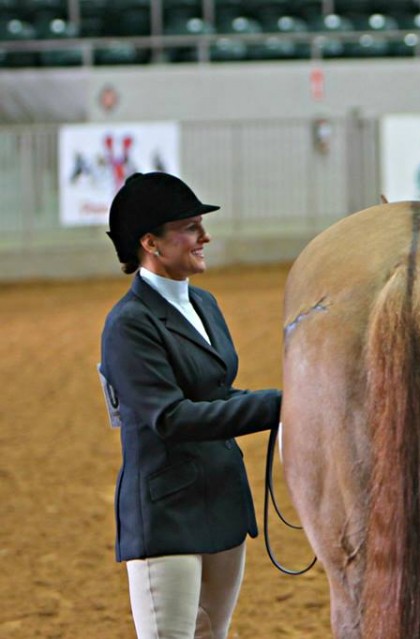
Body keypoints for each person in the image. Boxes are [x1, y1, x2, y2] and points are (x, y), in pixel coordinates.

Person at [99, 172, 282, 638]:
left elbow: (217, 396)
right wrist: (278, 405)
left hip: (222, 503)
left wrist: (290, 403)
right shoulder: (129, 324)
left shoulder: (205, 303)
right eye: (189, 227)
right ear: (151, 243)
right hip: (167, 517)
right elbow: (171, 416)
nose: (205, 237)